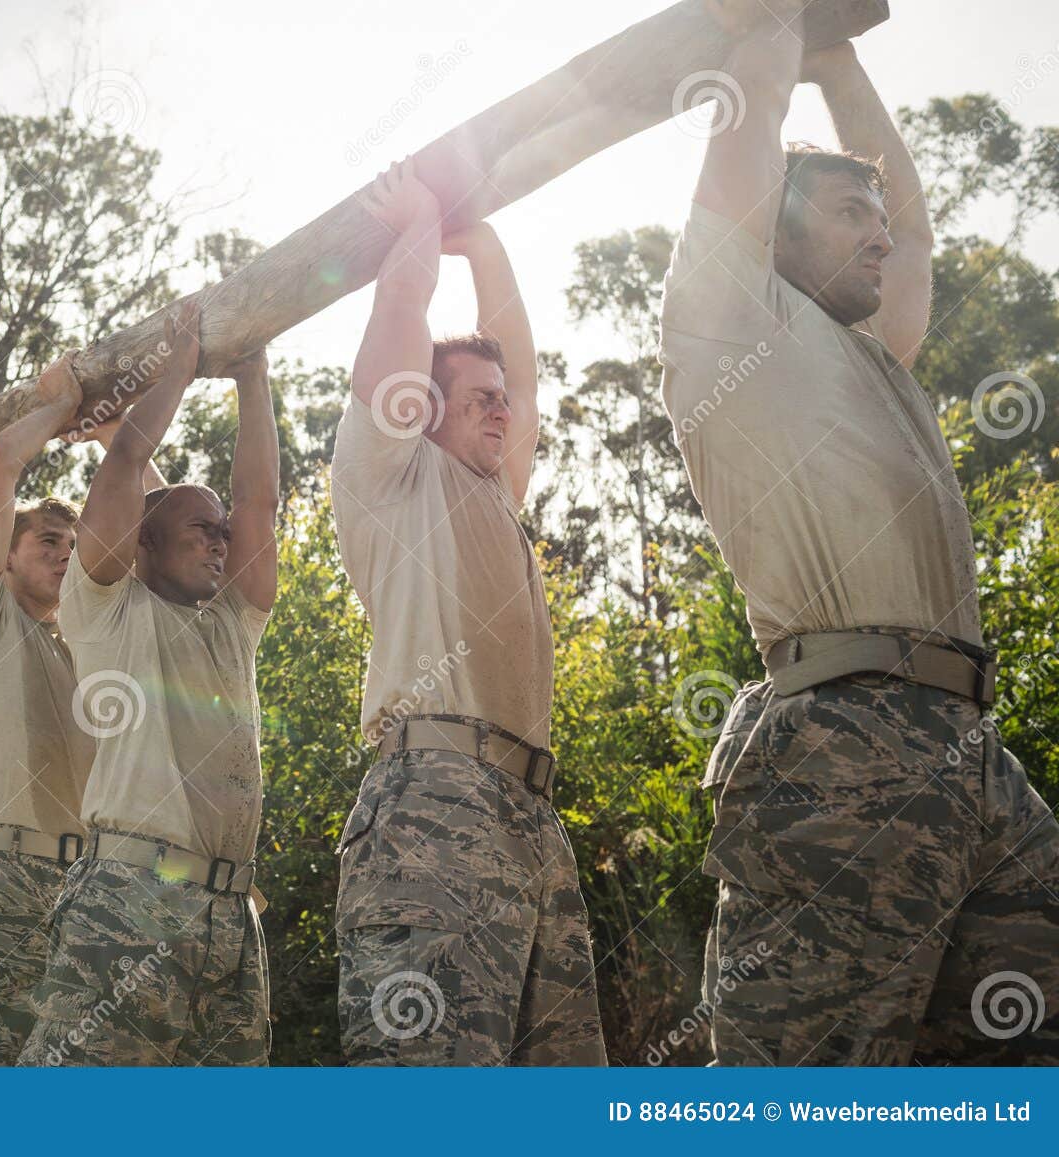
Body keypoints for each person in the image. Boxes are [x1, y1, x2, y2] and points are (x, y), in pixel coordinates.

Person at [658, 9, 1058, 1063]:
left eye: (873, 216)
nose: (880, 234)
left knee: (1011, 1065)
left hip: (969, 752)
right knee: (805, 1092)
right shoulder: (728, 323)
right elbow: (743, 138)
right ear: (772, 233)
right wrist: (780, 29)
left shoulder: (872, 353)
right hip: (840, 747)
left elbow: (915, 231)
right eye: (847, 212)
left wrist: (838, 57)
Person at [329, 159, 606, 1065]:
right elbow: (399, 324)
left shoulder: (500, 493)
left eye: (502, 398)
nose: (501, 405)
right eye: (478, 396)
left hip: (532, 815)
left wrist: (480, 240)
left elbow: (519, 365)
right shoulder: (395, 479)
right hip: (433, 801)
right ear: (425, 407)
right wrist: (417, 227)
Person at [17, 301, 280, 1066]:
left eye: (219, 530)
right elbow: (127, 465)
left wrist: (254, 379)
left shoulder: (232, 624)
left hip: (231, 915)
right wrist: (180, 365)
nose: (218, 537)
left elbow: (260, 503)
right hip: (130, 901)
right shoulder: (106, 608)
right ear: (144, 542)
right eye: (198, 526)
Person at [0, 353, 165, 1065]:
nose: (65, 554)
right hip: (2, 884)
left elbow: (166, 547)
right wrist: (58, 406)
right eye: (48, 541)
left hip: (89, 895)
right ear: (8, 557)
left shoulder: (89, 641)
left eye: (74, 545)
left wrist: (116, 437)